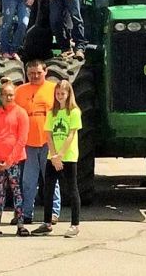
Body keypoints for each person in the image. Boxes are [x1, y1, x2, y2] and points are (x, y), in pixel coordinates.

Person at [15, 62, 60, 234]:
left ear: (45, 72)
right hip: (28, 144)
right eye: (31, 73)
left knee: (51, 180)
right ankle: (27, 213)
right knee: (28, 181)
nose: (34, 76)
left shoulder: (54, 90)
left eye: (38, 72)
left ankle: (53, 213)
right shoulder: (20, 91)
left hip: (49, 143)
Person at [0, 83, 32, 236]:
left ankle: (20, 224)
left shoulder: (21, 113)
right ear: (1, 96)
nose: (9, 97)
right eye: (6, 95)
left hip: (15, 161)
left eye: (11, 94)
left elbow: (22, 139)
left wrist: (10, 160)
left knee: (17, 192)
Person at [46, 80, 83, 237]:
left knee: (72, 189)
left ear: (68, 94)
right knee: (48, 189)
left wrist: (60, 155)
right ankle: (47, 223)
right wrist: (54, 155)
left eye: (63, 93)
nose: (60, 96)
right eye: (58, 93)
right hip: (52, 157)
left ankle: (75, 224)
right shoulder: (51, 113)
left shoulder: (74, 112)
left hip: (68, 156)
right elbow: (48, 134)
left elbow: (71, 134)